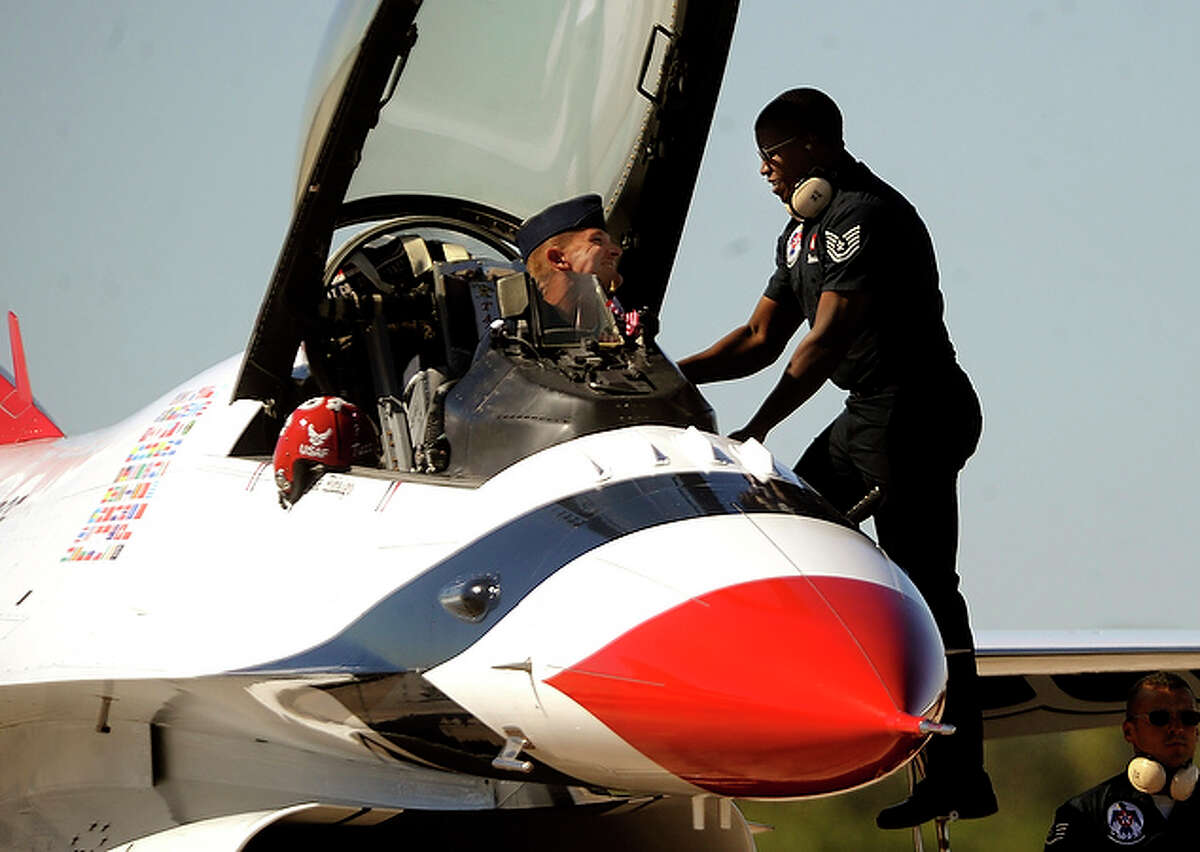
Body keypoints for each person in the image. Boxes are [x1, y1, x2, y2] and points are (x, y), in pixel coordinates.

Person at [678, 87, 995, 829]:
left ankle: (960, 773)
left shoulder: (864, 216)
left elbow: (821, 344)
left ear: (815, 147)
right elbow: (759, 339)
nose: (764, 171)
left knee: (929, 587)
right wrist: (667, 372)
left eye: (773, 155)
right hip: (868, 418)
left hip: (916, 413)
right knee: (780, 522)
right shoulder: (800, 234)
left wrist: (753, 432)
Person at [1045, 672, 1200, 849]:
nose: (1177, 728)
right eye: (1160, 718)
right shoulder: (1085, 812)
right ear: (1129, 731)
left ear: (1197, 731)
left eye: (1188, 718)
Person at [516, 193, 627, 331]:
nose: (617, 251)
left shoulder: (619, 331)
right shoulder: (516, 333)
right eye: (597, 240)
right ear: (558, 259)